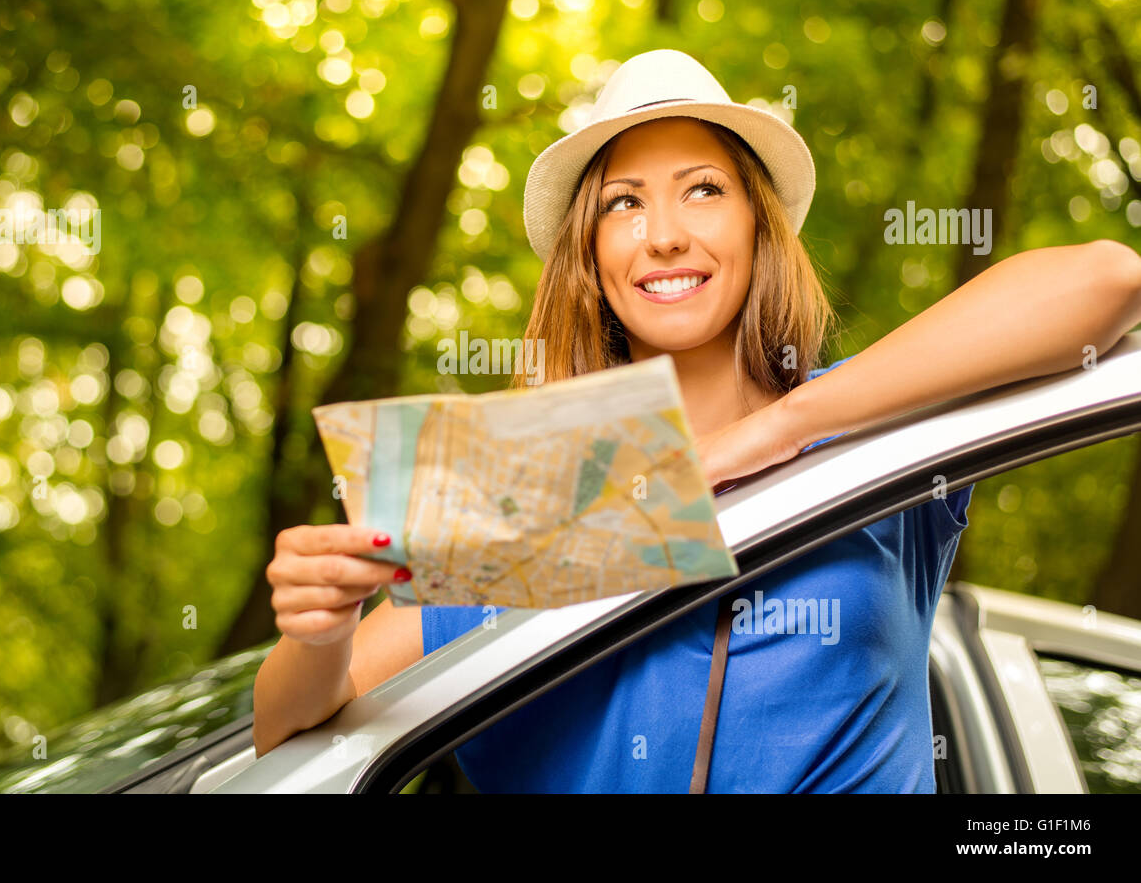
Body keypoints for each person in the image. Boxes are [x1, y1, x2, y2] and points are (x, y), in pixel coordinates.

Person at [252, 49, 1141, 791]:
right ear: (590, 257)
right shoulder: (525, 498)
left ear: (759, 223)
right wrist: (317, 634)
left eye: (703, 189)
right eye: (624, 202)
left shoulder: (866, 432)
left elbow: (1106, 282)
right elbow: (293, 725)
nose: (665, 234)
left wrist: (779, 429)